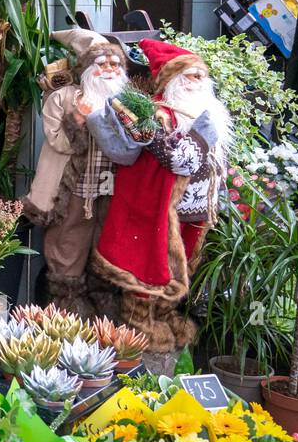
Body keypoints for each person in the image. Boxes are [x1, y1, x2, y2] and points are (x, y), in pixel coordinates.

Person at [85, 39, 233, 356]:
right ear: (170, 81)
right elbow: (180, 159)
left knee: (184, 269)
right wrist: (203, 131)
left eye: (199, 76)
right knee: (149, 269)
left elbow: (218, 166)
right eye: (187, 76)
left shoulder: (213, 113)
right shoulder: (161, 116)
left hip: (197, 211)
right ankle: (139, 327)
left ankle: (167, 317)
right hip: (161, 210)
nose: (195, 82)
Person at [23, 29, 129, 318]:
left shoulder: (124, 101)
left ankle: (102, 323)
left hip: (109, 194)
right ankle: (63, 321)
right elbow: (57, 141)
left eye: (114, 64)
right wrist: (78, 118)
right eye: (102, 64)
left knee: (105, 260)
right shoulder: (62, 97)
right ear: (87, 68)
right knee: (65, 255)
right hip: (71, 195)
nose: (108, 69)